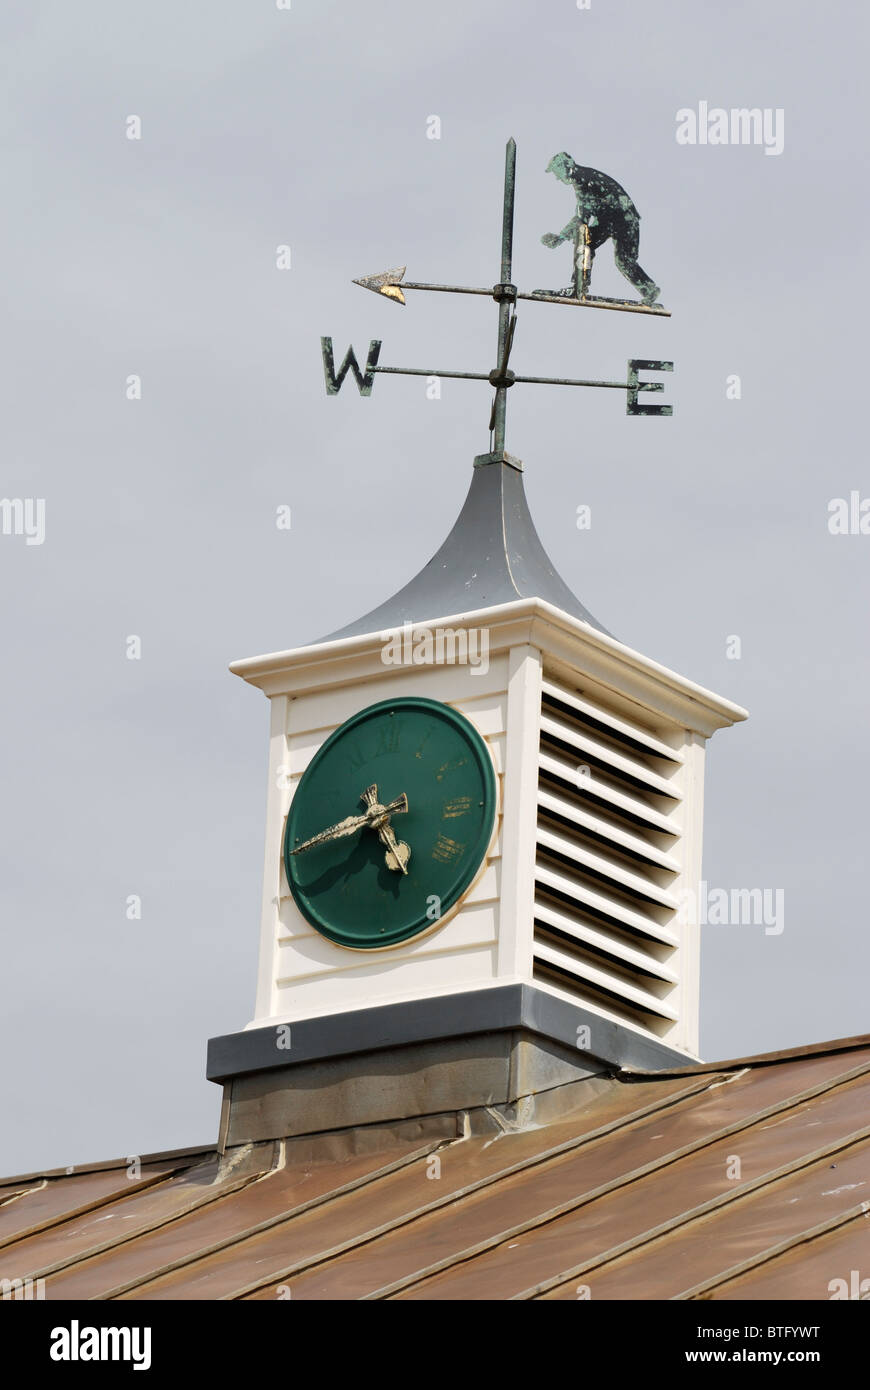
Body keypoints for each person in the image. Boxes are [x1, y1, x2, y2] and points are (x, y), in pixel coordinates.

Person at [540, 152, 661, 305]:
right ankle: (580, 285)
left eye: (558, 172)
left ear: (567, 166)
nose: (558, 177)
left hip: (623, 219)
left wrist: (561, 237)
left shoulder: (583, 179)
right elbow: (582, 215)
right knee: (587, 243)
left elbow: (581, 218)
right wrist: (562, 237)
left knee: (622, 260)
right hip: (609, 219)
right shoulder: (581, 180)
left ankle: (648, 289)